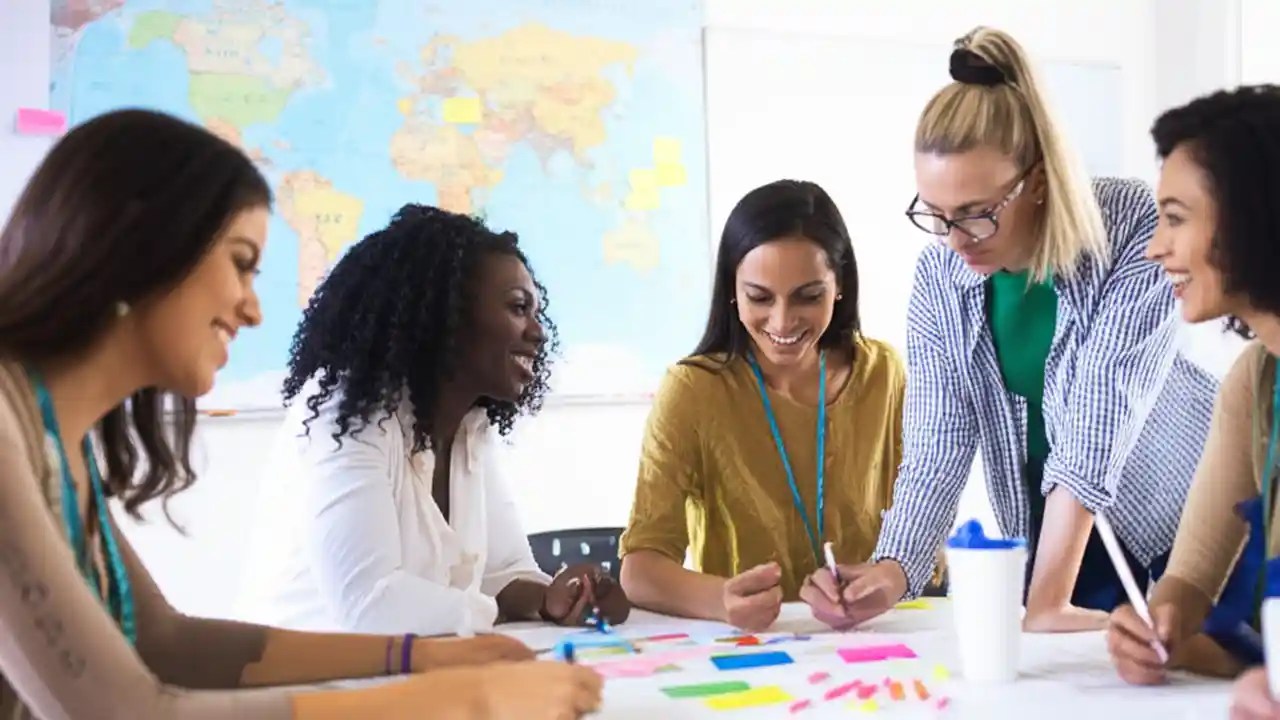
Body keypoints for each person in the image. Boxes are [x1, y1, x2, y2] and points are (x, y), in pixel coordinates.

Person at [0, 109, 602, 719]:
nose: (252, 309)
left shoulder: (52, 437)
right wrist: (460, 696)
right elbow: (127, 709)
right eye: (240, 263)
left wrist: (420, 660)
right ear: (142, 250)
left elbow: (164, 641)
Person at [801, 26, 1219, 633]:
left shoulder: (1131, 227)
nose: (953, 240)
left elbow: (1101, 410)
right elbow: (936, 442)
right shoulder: (942, 273)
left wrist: (1045, 601)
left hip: (1176, 515)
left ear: (1040, 180)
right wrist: (890, 573)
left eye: (976, 215)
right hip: (1050, 525)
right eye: (935, 214)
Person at [236, 204, 630, 638]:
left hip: (409, 676)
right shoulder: (346, 413)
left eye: (537, 312)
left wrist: (555, 597)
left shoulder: (468, 428)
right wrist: (486, 610)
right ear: (447, 316)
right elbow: (371, 606)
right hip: (311, 690)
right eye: (518, 308)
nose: (538, 331)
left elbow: (502, 573)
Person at [618, 179, 906, 632]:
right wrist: (720, 600)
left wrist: (889, 575)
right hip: (751, 646)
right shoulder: (693, 390)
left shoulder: (883, 373)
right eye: (760, 297)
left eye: (808, 296)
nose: (782, 321)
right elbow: (640, 570)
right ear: (732, 289)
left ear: (841, 286)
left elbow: (921, 514)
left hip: (867, 642)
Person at [1106, 85, 1280, 694]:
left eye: (1175, 219)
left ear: (1253, 215)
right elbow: (1191, 584)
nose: (1156, 247)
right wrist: (1162, 629)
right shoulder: (1256, 382)